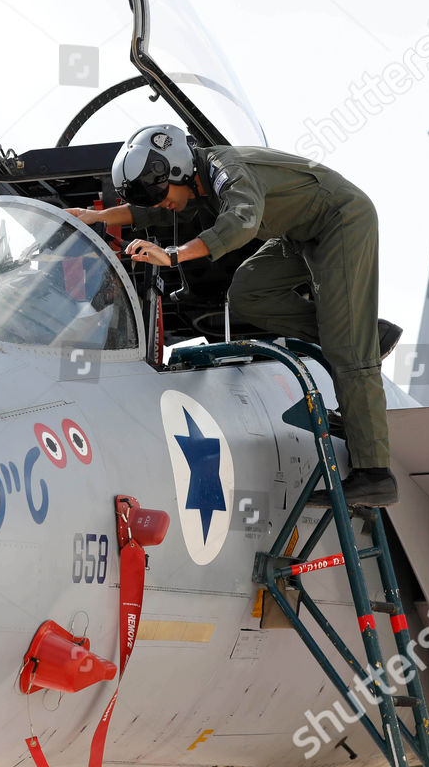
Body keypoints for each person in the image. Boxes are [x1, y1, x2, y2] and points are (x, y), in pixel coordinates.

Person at [65, 124, 398, 507]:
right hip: (300, 235)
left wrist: (174, 255)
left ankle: (375, 475)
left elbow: (242, 219)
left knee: (350, 352)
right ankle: (363, 334)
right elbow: (149, 214)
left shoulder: (226, 168)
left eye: (159, 192)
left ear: (177, 170)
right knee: (249, 293)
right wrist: (98, 217)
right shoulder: (199, 183)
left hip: (341, 222)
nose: (160, 203)